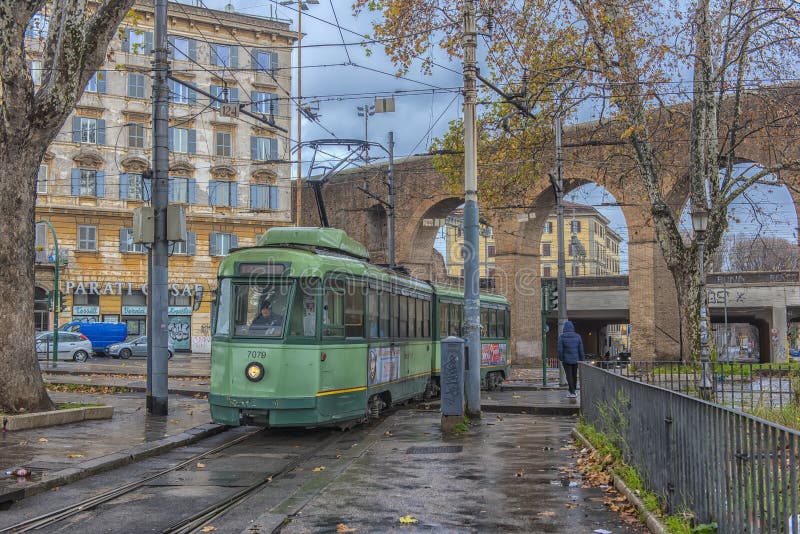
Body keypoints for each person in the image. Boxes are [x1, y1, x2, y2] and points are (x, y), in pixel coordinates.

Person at [557, 320, 585, 398]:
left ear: (564, 328)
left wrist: (561, 358)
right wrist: (582, 360)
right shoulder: (578, 336)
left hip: (566, 360)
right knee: (574, 375)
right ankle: (574, 391)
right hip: (575, 360)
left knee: (568, 376)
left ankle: (571, 391)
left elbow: (560, 350)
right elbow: (581, 349)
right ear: (572, 328)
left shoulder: (561, 337)